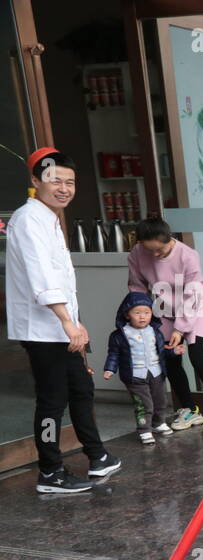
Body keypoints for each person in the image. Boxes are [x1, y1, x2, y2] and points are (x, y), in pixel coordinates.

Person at [6, 148, 121, 493]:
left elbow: (63, 280)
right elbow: (43, 278)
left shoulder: (49, 217)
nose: (64, 188)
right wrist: (68, 322)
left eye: (69, 182)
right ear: (35, 181)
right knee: (53, 399)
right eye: (55, 180)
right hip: (43, 329)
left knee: (82, 389)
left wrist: (76, 322)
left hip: (62, 325)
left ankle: (97, 455)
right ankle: (50, 472)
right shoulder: (28, 220)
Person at [126, 216, 203, 434]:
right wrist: (140, 315)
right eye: (150, 250)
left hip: (195, 309)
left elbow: (194, 294)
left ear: (169, 239)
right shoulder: (137, 253)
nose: (155, 255)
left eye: (160, 250)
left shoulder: (188, 256)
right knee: (171, 361)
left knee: (198, 358)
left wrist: (180, 328)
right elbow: (137, 286)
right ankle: (190, 409)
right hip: (163, 311)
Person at [103, 291, 174, 445]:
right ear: (127, 314)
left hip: (155, 372)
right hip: (135, 376)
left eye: (146, 312)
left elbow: (161, 350)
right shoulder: (119, 335)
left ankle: (158, 422)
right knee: (144, 404)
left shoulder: (155, 332)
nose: (142, 316)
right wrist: (110, 369)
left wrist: (174, 351)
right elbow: (114, 354)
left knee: (160, 400)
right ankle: (144, 430)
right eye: (137, 312)